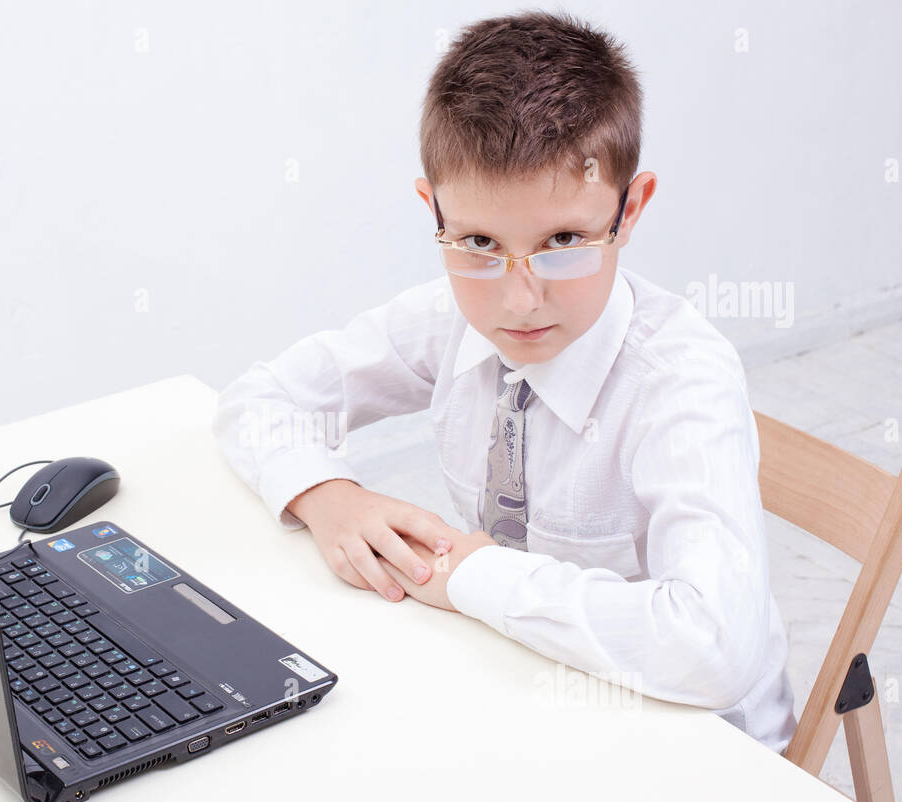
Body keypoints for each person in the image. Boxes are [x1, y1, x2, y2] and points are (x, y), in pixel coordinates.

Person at [212, 10, 798, 753]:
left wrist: (472, 575)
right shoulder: (451, 317)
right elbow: (259, 400)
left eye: (564, 242)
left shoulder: (681, 380)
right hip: (518, 689)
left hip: (694, 748)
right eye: (480, 243)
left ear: (631, 208)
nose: (519, 299)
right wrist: (327, 496)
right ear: (435, 212)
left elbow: (712, 649)